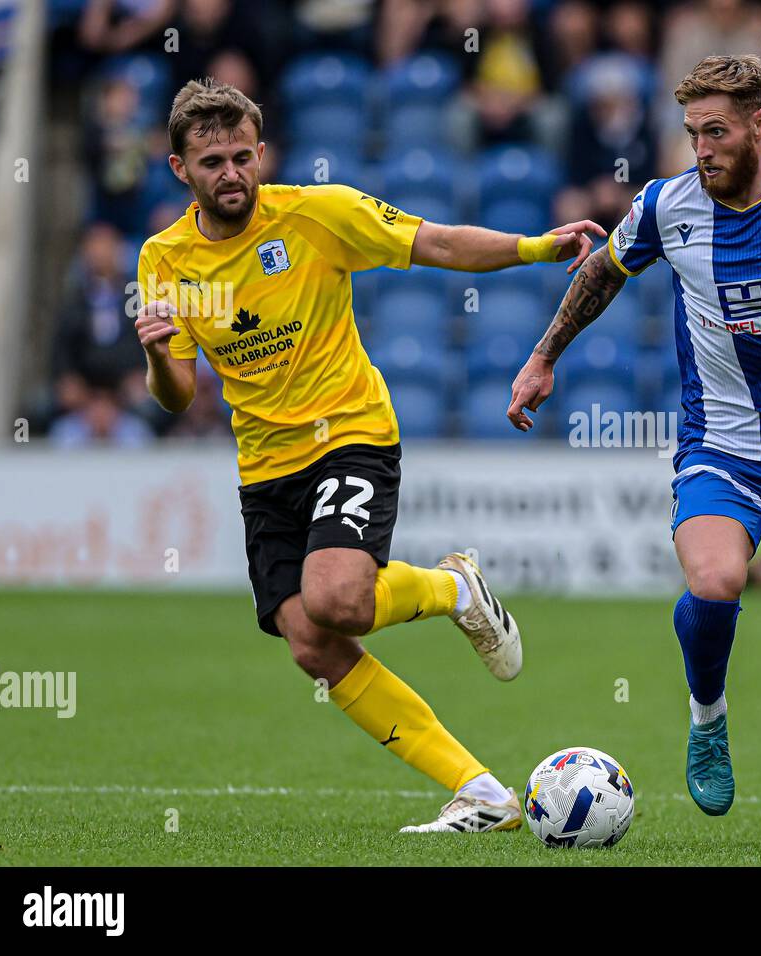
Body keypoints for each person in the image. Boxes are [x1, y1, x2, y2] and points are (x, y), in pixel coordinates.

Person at [135, 77, 604, 834]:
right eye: (213, 161)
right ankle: (481, 792)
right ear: (180, 170)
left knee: (338, 601)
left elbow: (438, 241)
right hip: (264, 471)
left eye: (243, 156)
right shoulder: (164, 260)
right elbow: (177, 394)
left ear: (263, 155)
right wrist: (157, 357)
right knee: (312, 644)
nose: (232, 173)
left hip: (350, 435)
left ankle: (453, 588)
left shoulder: (319, 215)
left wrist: (536, 248)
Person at [507, 54, 761, 847]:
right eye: (692, 130)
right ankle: (708, 719)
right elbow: (601, 271)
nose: (701, 147)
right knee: (716, 580)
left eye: (717, 130)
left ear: (759, 124)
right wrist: (543, 357)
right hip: (721, 445)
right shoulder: (668, 204)